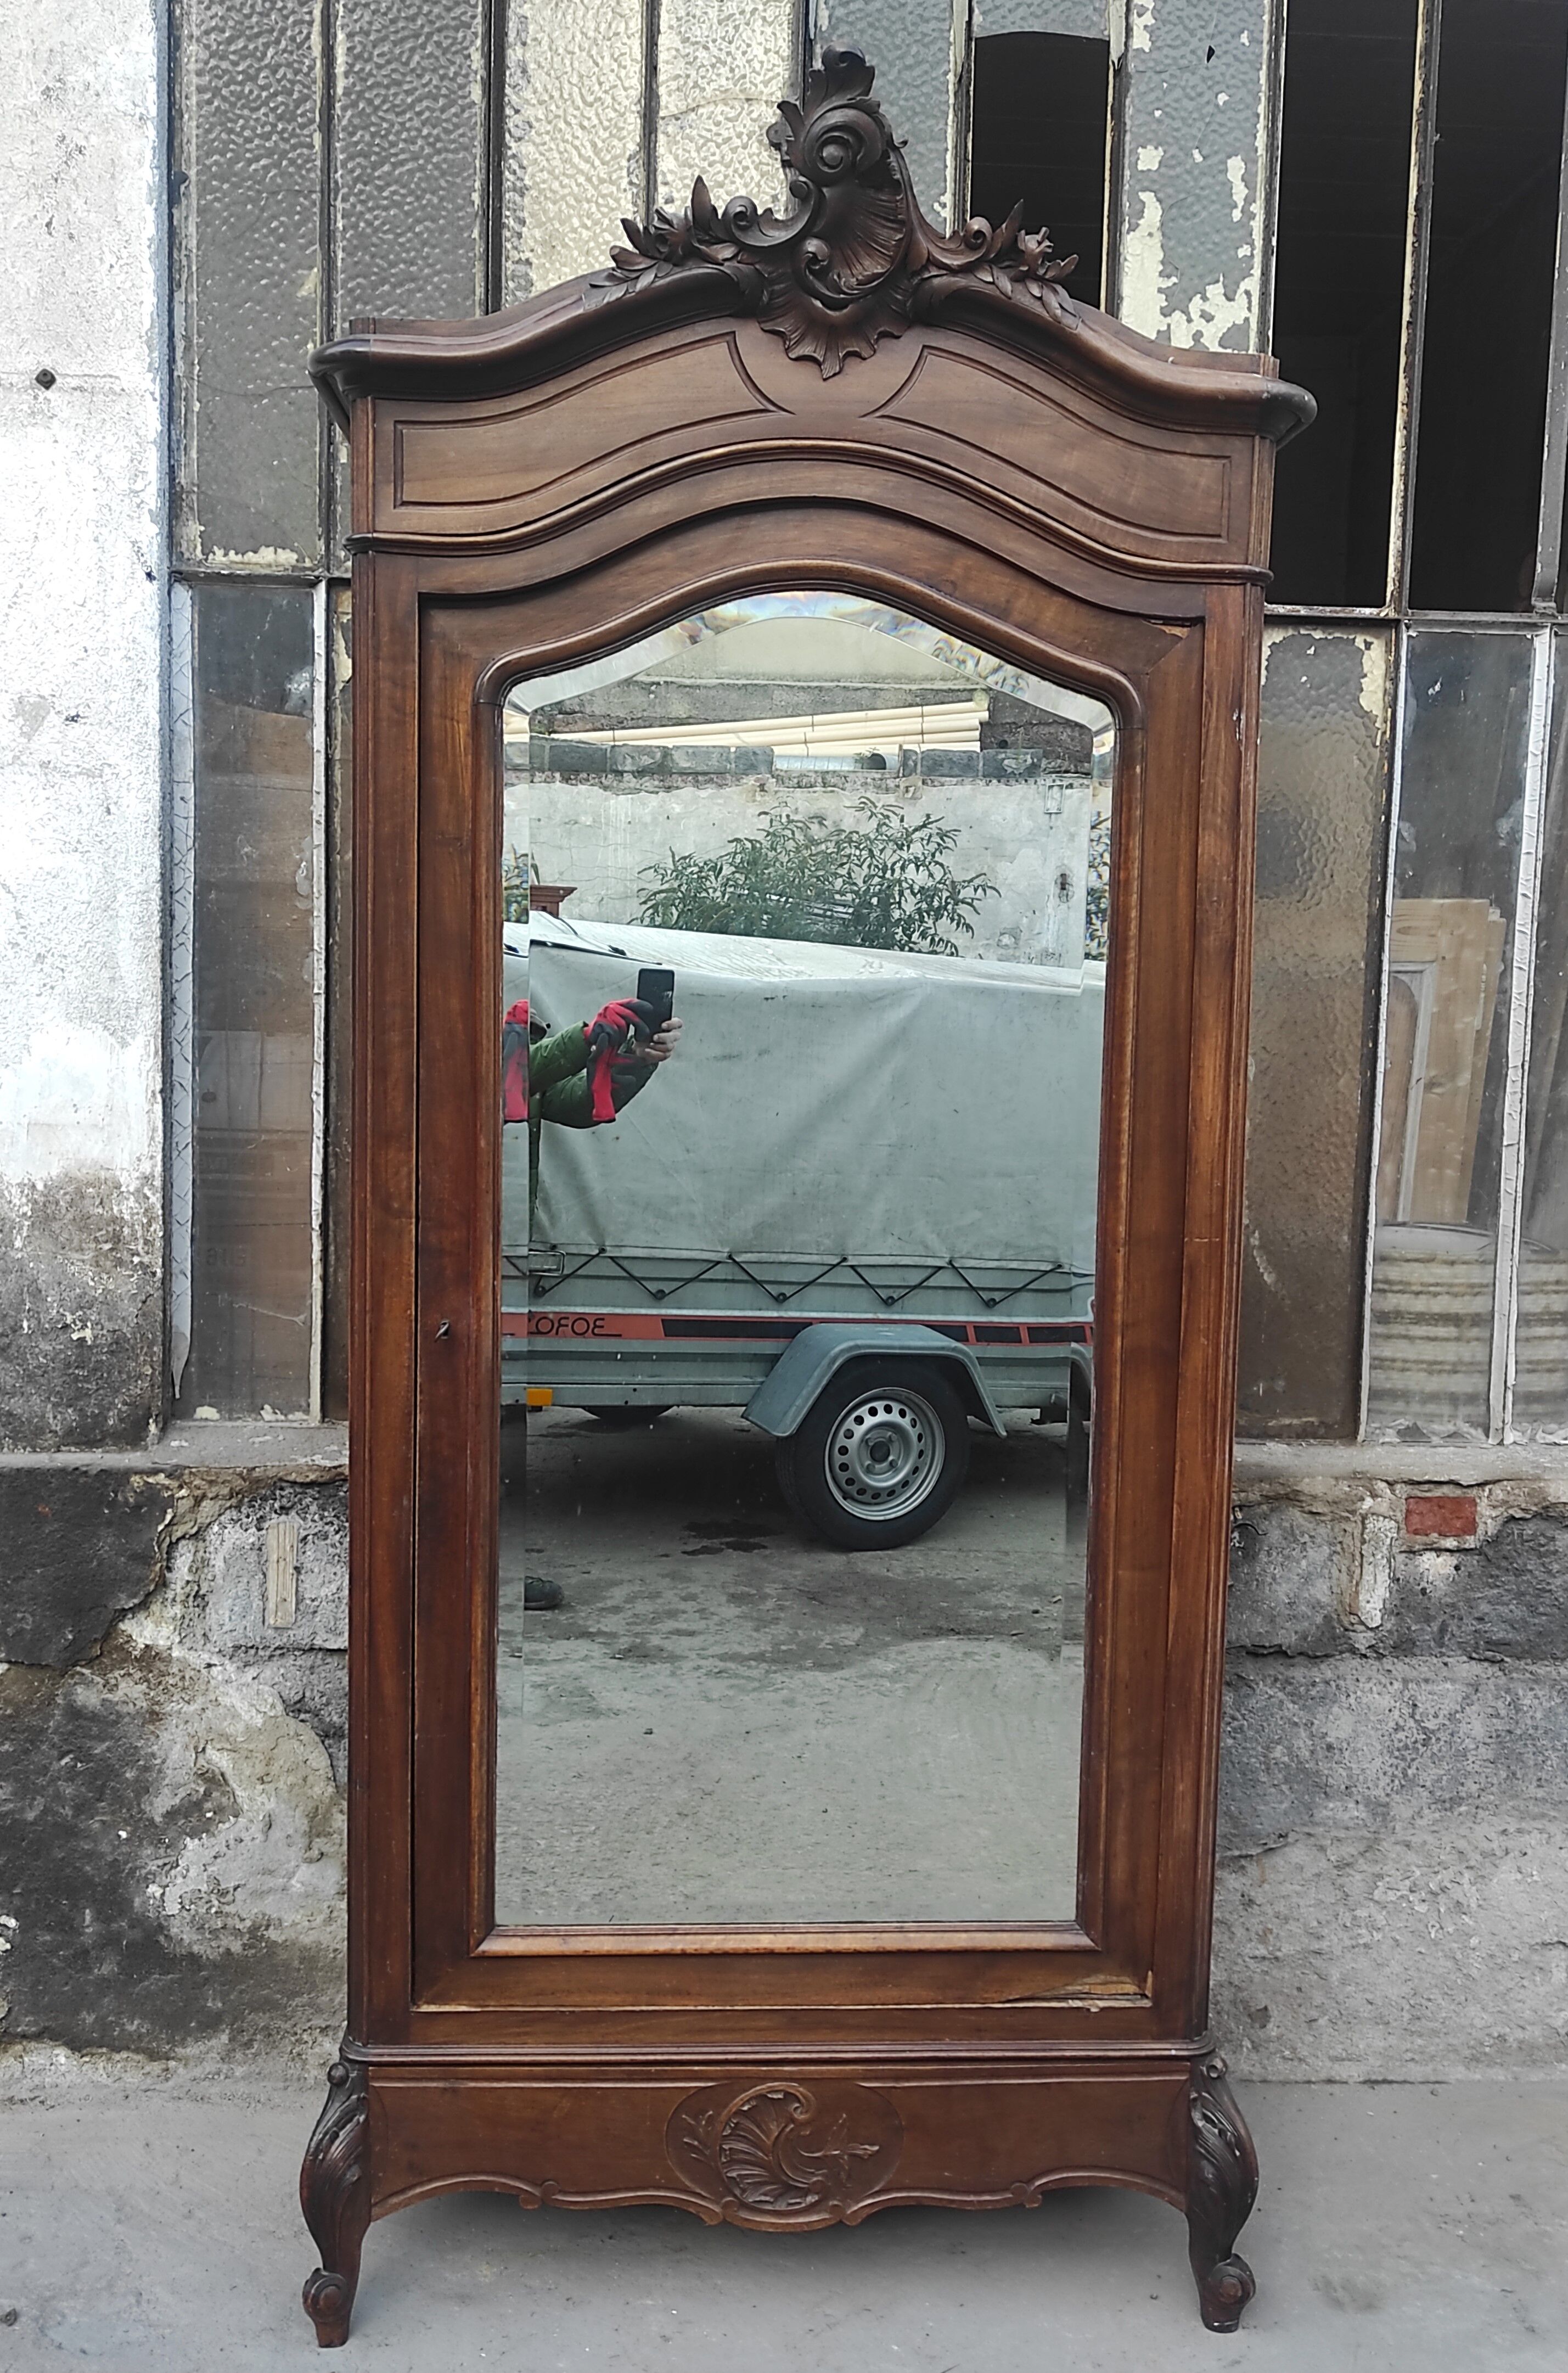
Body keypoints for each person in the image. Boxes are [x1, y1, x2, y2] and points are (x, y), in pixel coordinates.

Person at [502, 991, 682, 1608]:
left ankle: (489, 1570)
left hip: (497, 1263)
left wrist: (636, 1059)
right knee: (457, 1430)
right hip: (445, 1261)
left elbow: (573, 1103)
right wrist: (586, 1036)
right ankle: (471, 1577)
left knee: (492, 1424)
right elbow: (501, 1078)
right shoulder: (458, 1029)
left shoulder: (520, 1036)